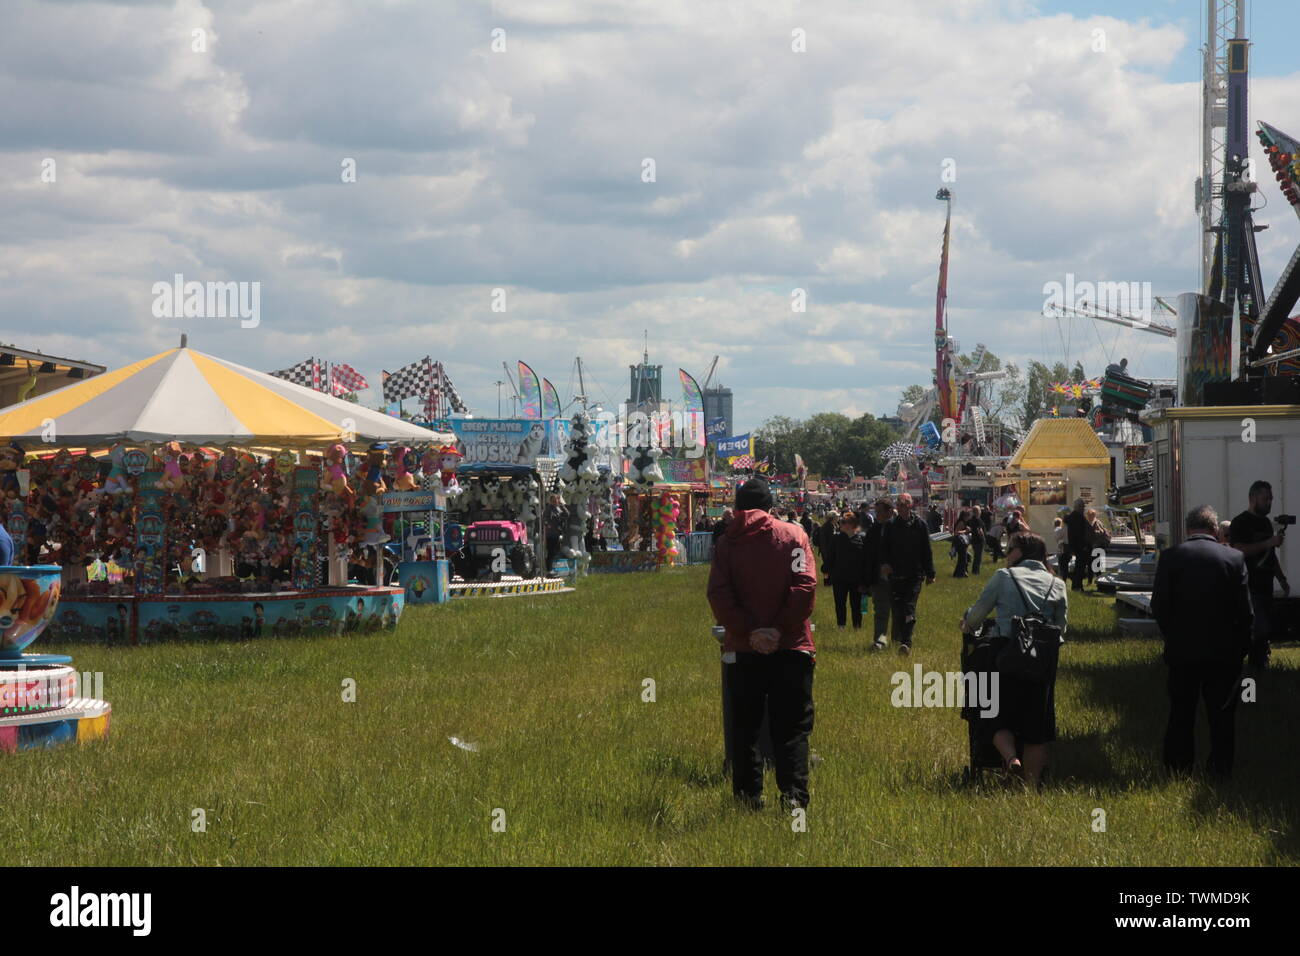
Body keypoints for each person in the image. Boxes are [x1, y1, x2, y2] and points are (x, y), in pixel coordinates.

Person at [707, 478, 817, 810]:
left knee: (745, 726)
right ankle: (794, 798)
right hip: (793, 646)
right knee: (792, 728)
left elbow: (719, 594)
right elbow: (805, 586)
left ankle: (747, 797)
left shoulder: (727, 544)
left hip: (742, 649)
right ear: (771, 506)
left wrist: (750, 631)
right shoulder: (795, 536)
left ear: (738, 507)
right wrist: (778, 630)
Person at [1152, 505, 1253, 778]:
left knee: (1181, 713)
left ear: (1188, 528)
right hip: (1223, 653)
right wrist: (1240, 648)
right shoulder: (1234, 558)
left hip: (1182, 650)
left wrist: (1172, 635)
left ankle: (1178, 768)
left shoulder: (1171, 556)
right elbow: (1245, 612)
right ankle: (1220, 770)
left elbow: (1159, 605)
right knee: (1221, 716)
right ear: (1215, 529)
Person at [961, 531, 1067, 788]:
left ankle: (1010, 759)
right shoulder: (1057, 584)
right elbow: (1061, 629)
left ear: (1021, 552)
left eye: (1011, 549)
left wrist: (966, 624)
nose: (1007, 554)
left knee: (994, 715)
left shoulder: (1004, 577)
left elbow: (975, 619)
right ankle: (1029, 790)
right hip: (1041, 662)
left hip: (1004, 656)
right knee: (1035, 729)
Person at [1229, 480, 1289, 668]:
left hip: (1266, 586)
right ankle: (1246, 673)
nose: (1269, 503)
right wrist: (1268, 543)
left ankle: (1258, 668)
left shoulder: (1265, 523)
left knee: (1264, 632)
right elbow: (1239, 550)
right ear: (1253, 498)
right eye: (1265, 499)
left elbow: (1270, 555)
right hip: (1249, 587)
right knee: (1257, 630)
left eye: (1271, 499)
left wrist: (1281, 578)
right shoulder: (1240, 522)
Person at [879, 492, 936, 655]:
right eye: (898, 504)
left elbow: (927, 550)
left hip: (914, 574)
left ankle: (906, 643)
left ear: (910, 505)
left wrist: (930, 573)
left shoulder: (920, 525)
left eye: (904, 504)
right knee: (897, 609)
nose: (900, 507)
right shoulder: (890, 526)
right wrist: (885, 564)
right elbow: (883, 548)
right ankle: (898, 638)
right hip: (895, 574)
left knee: (909, 608)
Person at [823, 511, 868, 629]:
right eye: (841, 522)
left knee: (856, 605)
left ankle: (857, 627)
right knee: (840, 603)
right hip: (839, 578)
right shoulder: (836, 538)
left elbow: (866, 561)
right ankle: (841, 626)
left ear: (853, 524)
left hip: (857, 579)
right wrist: (825, 569)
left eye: (845, 522)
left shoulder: (862, 538)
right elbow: (830, 557)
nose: (842, 524)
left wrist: (866, 579)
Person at [864, 497, 893, 649]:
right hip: (878, 578)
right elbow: (867, 556)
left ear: (889, 512)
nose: (877, 515)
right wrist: (866, 580)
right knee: (881, 611)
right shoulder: (873, 530)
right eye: (876, 512)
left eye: (880, 512)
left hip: (897, 578)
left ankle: (899, 640)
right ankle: (880, 641)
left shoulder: (898, 529)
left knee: (899, 612)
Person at [1063, 499, 1091, 592]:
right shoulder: (1077, 517)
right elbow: (1078, 533)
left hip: (1077, 545)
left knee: (1080, 566)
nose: (1084, 508)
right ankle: (1077, 586)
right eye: (1082, 506)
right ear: (1078, 507)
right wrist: (1084, 545)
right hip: (1080, 546)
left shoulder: (1074, 516)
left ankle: (1077, 585)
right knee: (1080, 566)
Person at [543, 493, 568, 574]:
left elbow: (567, 514)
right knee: (551, 551)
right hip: (550, 534)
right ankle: (548, 569)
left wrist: (562, 506)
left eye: (556, 499)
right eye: (553, 500)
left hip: (557, 533)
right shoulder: (549, 509)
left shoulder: (559, 508)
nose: (555, 501)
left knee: (555, 551)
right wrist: (549, 525)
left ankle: (551, 567)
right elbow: (545, 519)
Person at [951, 508, 971, 578]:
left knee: (963, 558)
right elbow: (956, 532)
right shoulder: (961, 522)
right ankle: (960, 574)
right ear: (965, 516)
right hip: (960, 542)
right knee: (962, 559)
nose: (969, 518)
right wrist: (966, 531)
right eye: (968, 516)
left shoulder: (962, 522)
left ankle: (960, 573)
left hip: (961, 542)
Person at [969, 504, 986, 574]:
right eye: (980, 510)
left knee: (976, 556)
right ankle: (976, 571)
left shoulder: (972, 519)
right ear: (977, 512)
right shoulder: (978, 520)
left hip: (974, 539)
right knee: (978, 557)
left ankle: (974, 570)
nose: (981, 511)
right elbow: (980, 530)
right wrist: (983, 538)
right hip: (979, 540)